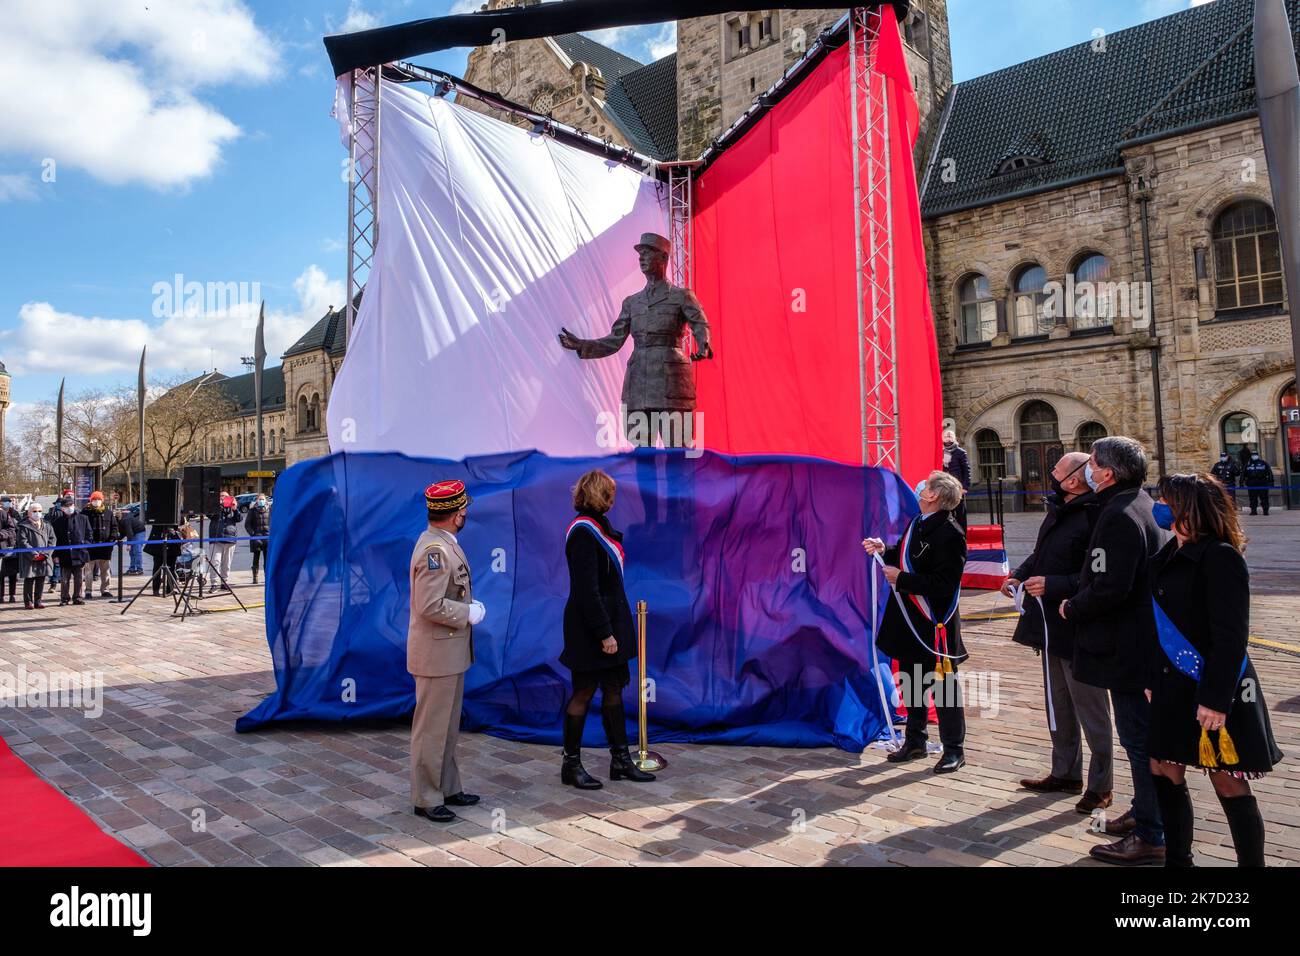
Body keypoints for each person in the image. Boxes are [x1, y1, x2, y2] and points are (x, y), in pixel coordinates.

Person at [1147, 474, 1283, 867]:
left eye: (1166, 501)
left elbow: (1230, 637)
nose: (1160, 507)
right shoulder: (1169, 552)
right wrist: (1151, 679)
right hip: (1171, 683)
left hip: (1215, 687)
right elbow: (1152, 625)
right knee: (1163, 766)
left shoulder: (1220, 556)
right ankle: (1178, 859)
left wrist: (1214, 700)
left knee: (1225, 777)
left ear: (1188, 509)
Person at [1059, 436, 1167, 865]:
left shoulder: (1120, 515)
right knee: (1139, 739)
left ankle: (1152, 833)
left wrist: (1073, 605)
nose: (1088, 469)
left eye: (1093, 463)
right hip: (1135, 643)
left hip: (1127, 648)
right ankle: (1146, 812)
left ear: (1106, 473)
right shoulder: (1137, 503)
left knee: (1139, 741)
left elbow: (1110, 585)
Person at [1002, 452, 1114, 813]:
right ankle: (1065, 772)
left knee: (1091, 710)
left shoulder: (1096, 513)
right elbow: (1041, 554)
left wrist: (1055, 585)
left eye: (1058, 468)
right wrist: (1019, 574)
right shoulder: (1056, 509)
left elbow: (1097, 574)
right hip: (1049, 626)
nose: (1050, 471)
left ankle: (1101, 786)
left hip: (1079, 624)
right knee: (1058, 705)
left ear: (1074, 479)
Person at [558, 232, 712, 449]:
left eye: (647, 253)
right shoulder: (632, 303)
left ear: (664, 258)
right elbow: (614, 340)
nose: (642, 258)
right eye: (640, 254)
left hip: (673, 383)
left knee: (680, 452)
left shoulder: (682, 296)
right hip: (639, 382)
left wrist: (703, 343)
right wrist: (583, 345)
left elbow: (699, 322)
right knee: (641, 454)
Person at [863, 470, 969, 774]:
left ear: (934, 495)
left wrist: (903, 579)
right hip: (909, 619)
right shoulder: (918, 522)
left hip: (934, 622)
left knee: (944, 688)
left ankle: (953, 749)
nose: (920, 488)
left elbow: (944, 582)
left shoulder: (950, 533)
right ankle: (915, 740)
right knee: (912, 682)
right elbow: (909, 554)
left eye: (926, 486)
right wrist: (886, 550)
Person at [559, 470, 654, 790]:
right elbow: (587, 590)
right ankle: (570, 765)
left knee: (614, 688)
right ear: (601, 495)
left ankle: (620, 760)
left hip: (610, 621)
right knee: (583, 692)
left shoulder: (599, 527)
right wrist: (604, 633)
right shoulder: (584, 532)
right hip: (591, 627)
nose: (614, 499)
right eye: (610, 493)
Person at [408, 479, 484, 823]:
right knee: (431, 728)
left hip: (448, 651)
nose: (466, 512)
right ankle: (426, 796)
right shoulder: (434, 551)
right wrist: (467, 613)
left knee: (447, 727)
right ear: (454, 514)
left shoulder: (443, 543)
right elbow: (429, 605)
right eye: (462, 508)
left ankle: (447, 786)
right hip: (437, 653)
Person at [51, 498, 91, 606]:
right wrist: (55, 554)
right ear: (62, 508)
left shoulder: (83, 518)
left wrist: (84, 545)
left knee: (79, 578)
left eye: (71, 505)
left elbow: (88, 534)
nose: (69, 508)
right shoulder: (57, 522)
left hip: (79, 554)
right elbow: (55, 539)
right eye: (66, 506)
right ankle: (64, 598)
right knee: (64, 579)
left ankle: (77, 597)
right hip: (64, 554)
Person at [17, 503, 55, 609]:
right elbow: (23, 541)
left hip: (44, 558)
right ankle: (28, 602)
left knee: (41, 579)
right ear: (29, 513)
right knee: (29, 580)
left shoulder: (47, 525)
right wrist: (33, 554)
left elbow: (52, 540)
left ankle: (38, 601)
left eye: (39, 511)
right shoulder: (23, 526)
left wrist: (46, 554)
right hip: (29, 558)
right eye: (34, 511)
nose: (37, 513)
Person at [82, 491, 120, 598]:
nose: (96, 501)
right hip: (90, 546)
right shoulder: (85, 512)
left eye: (98, 499)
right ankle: (88, 591)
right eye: (94, 499)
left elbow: (114, 527)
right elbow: (82, 528)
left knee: (106, 570)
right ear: (91, 500)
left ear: (102, 500)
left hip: (105, 546)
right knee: (88, 570)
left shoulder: (108, 512)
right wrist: (86, 542)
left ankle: (105, 589)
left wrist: (112, 539)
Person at [207, 492, 240, 589]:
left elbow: (239, 519)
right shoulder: (216, 508)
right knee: (215, 561)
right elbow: (210, 515)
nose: (223, 498)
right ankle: (214, 583)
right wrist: (216, 506)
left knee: (226, 563)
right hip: (216, 539)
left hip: (230, 539)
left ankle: (224, 582)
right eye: (221, 496)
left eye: (226, 496)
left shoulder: (233, 508)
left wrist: (235, 508)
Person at [942, 430, 972, 529]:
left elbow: (967, 470)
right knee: (946, 512)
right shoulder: (941, 452)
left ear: (954, 438)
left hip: (958, 487)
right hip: (945, 487)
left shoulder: (960, 452)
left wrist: (965, 487)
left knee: (960, 513)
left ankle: (962, 535)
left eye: (950, 437)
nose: (948, 439)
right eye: (946, 437)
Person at [145, 524, 182, 596]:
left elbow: (180, 521)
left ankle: (170, 589)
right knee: (157, 567)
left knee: (171, 568)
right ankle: (156, 590)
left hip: (172, 542)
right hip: (158, 540)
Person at [244, 494, 271, 584]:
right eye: (259, 499)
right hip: (257, 538)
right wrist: (252, 533)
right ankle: (255, 577)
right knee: (256, 558)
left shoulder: (270, 510)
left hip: (268, 538)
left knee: (267, 559)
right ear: (256, 500)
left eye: (263, 499)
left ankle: (267, 577)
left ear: (266, 500)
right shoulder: (252, 510)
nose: (261, 501)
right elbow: (247, 524)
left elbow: (275, 522)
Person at [0, 495, 20, 603]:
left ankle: (12, 594)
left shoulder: (9, 513)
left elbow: (12, 529)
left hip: (8, 546)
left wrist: (2, 534)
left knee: (12, 573)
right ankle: (1, 596)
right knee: (0, 575)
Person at [1242, 450, 1274, 516]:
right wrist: (1241, 482)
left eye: (1255, 455)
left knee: (1264, 497)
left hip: (1262, 482)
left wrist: (1271, 482)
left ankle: (1265, 511)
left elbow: (1269, 472)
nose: (1254, 456)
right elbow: (1243, 473)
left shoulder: (1263, 463)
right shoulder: (1248, 464)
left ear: (1258, 455)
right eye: (1253, 455)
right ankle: (1253, 511)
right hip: (1251, 483)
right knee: (1252, 498)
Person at [121, 506, 147, 575]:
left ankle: (139, 569)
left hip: (139, 531)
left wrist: (129, 544)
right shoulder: (121, 521)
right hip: (134, 532)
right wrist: (117, 539)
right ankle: (132, 569)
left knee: (137, 550)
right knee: (132, 552)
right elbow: (123, 532)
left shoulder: (126, 520)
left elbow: (129, 532)